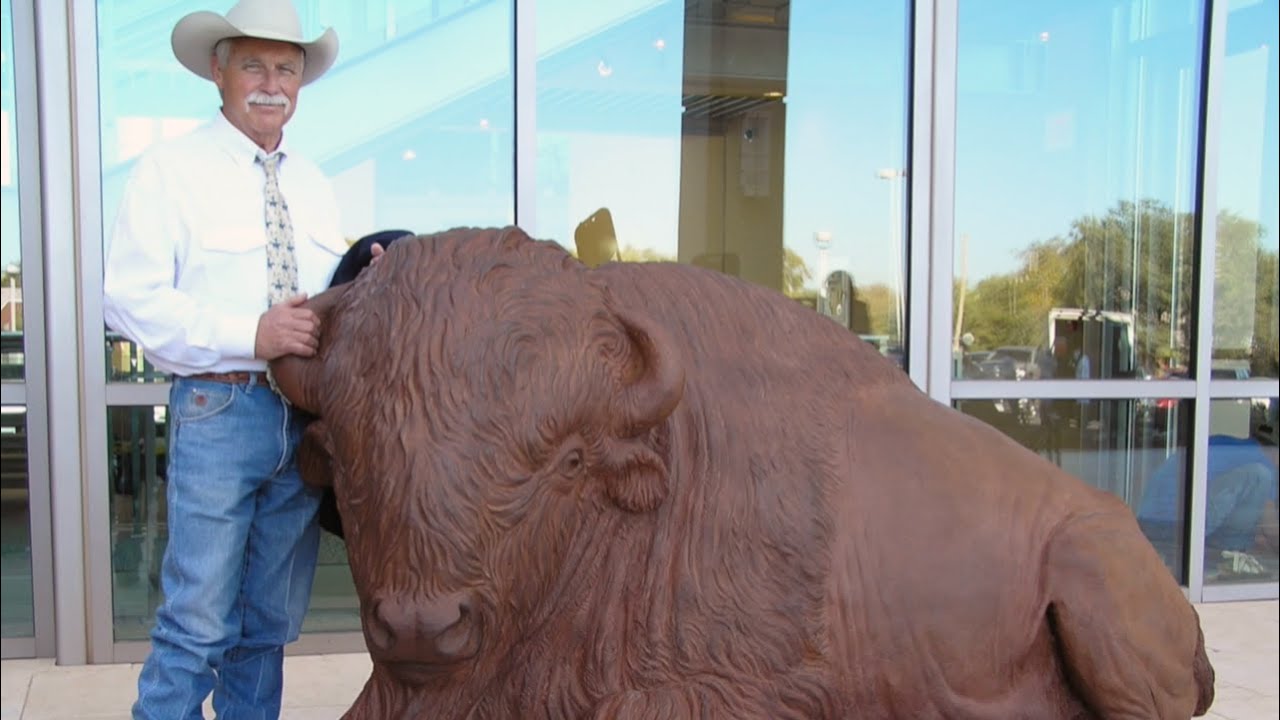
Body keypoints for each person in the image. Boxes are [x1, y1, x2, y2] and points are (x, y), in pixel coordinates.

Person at [102, 2, 379, 717]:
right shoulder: (170, 170)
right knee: (196, 625)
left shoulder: (315, 183)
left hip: (301, 424)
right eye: (253, 63)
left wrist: (372, 281)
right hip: (219, 410)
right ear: (218, 71)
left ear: (301, 82)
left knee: (266, 629)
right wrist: (246, 332)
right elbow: (128, 301)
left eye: (285, 67)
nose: (270, 82)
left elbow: (326, 301)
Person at [1137, 431, 1280, 575]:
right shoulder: (1263, 460)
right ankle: (1232, 561)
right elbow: (1270, 528)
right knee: (1261, 476)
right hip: (1178, 529)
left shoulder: (1230, 446)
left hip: (1149, 524)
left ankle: (1228, 557)